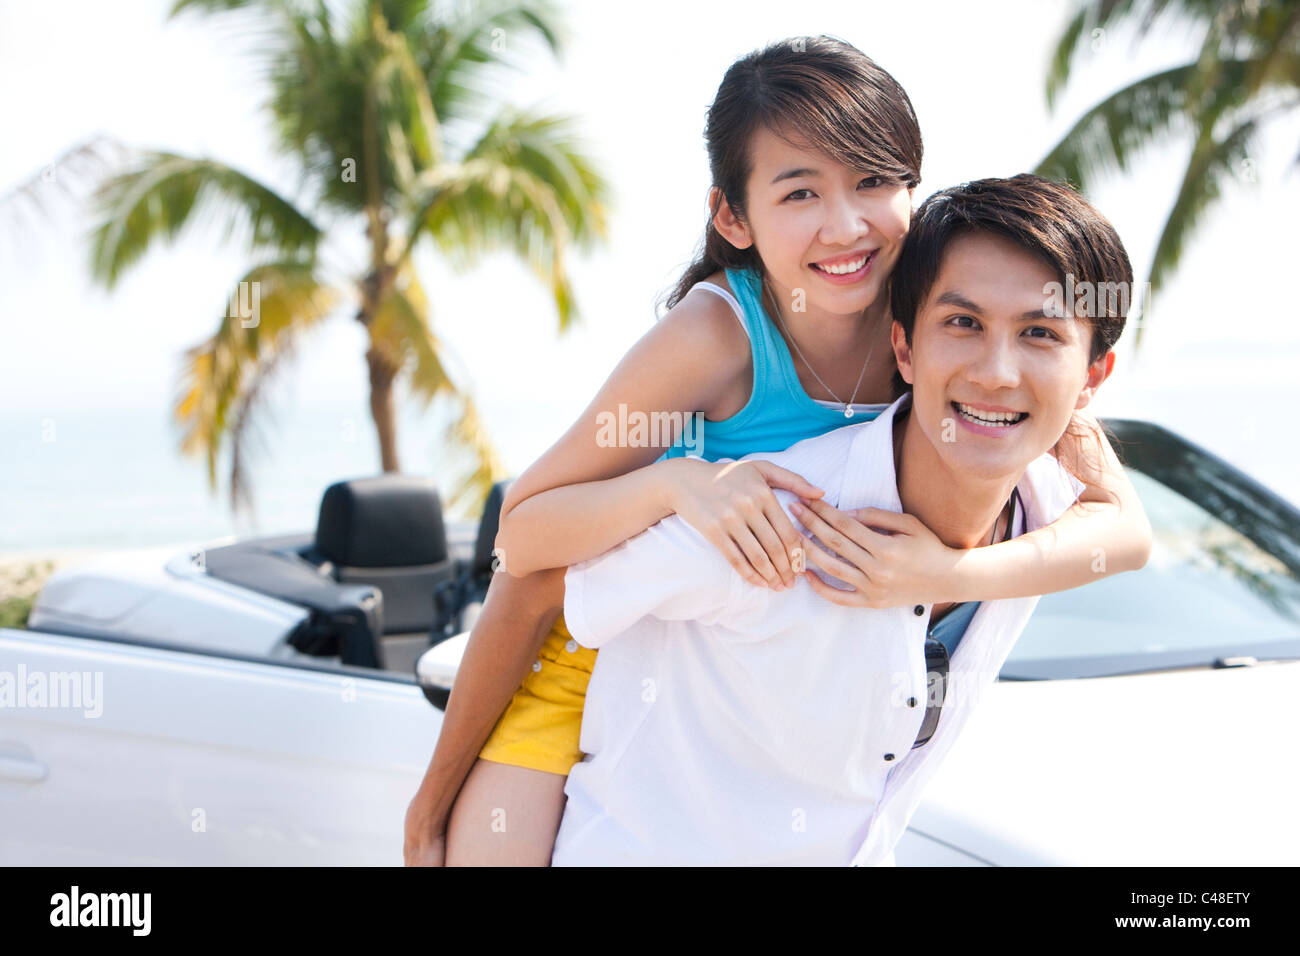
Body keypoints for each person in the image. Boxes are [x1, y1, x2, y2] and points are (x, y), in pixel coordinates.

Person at [403, 37, 1151, 867]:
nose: (845, 224)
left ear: (913, 189)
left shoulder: (958, 341)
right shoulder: (718, 335)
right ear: (732, 216)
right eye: (800, 192)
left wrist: (946, 575)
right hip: (585, 655)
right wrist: (681, 485)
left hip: (741, 688)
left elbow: (1121, 530)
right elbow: (526, 546)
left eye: (874, 180)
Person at [551, 173, 1135, 865]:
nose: (997, 372)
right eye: (963, 323)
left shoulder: (1043, 516)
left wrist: (952, 572)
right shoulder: (772, 516)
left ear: (1093, 377)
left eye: (1039, 333)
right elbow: (568, 591)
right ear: (905, 349)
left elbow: (1125, 533)